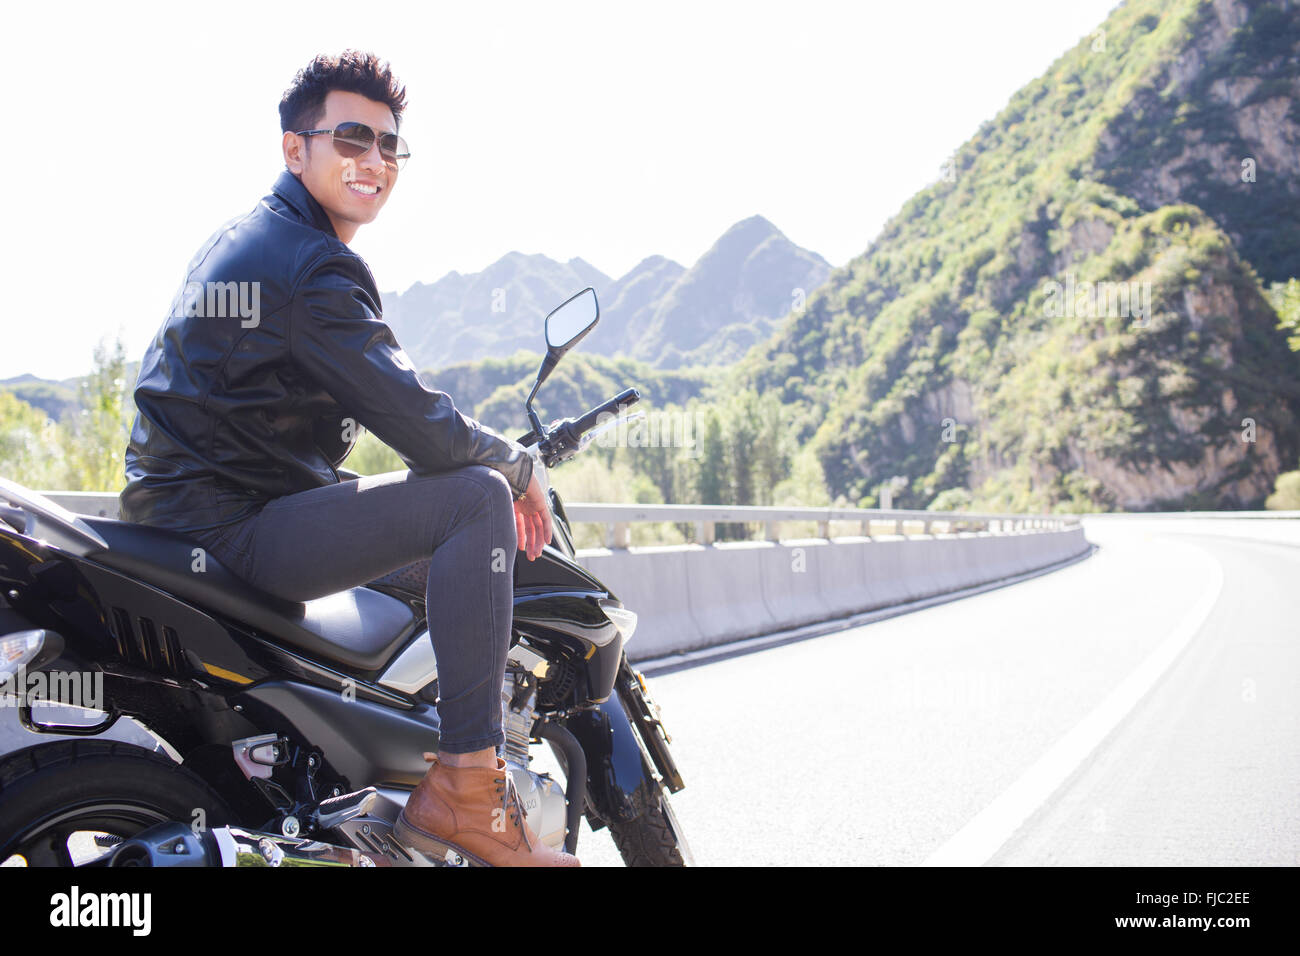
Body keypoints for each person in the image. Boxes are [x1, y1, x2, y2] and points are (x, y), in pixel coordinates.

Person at [120, 50, 579, 867]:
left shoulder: (257, 237)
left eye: (389, 146)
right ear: (295, 148)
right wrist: (517, 464)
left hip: (184, 517)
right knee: (474, 499)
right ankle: (466, 790)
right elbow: (421, 425)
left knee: (441, 537)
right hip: (233, 531)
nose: (374, 161)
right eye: (351, 138)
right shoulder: (310, 265)